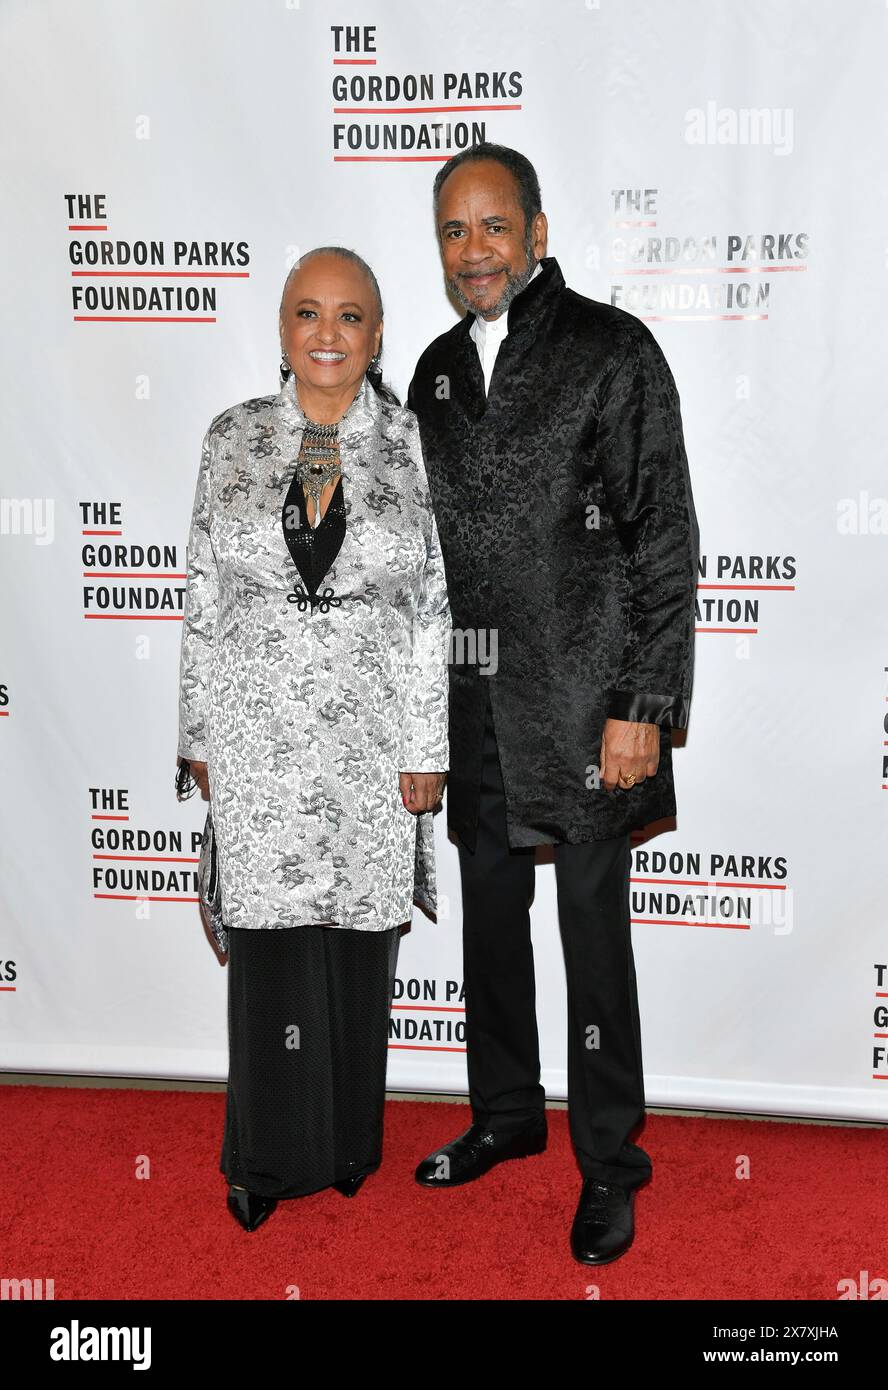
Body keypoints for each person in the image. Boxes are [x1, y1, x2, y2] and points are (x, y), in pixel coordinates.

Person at [407, 143, 700, 1265]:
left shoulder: (611, 351)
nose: (474, 251)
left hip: (589, 708)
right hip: (471, 701)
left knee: (592, 940)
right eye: (452, 232)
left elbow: (661, 536)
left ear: (536, 229)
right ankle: (505, 1113)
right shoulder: (432, 373)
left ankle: (611, 1163)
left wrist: (646, 700)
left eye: (492, 227)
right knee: (489, 921)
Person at [177, 247, 450, 1232]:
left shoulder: (410, 442)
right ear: (283, 330)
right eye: (307, 313)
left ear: (377, 338)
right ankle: (262, 1161)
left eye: (350, 316)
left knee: (351, 946)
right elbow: (202, 591)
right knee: (271, 949)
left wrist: (429, 746)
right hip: (257, 737)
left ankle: (343, 1147)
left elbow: (430, 604)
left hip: (373, 741)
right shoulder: (233, 437)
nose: (327, 333)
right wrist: (198, 727)